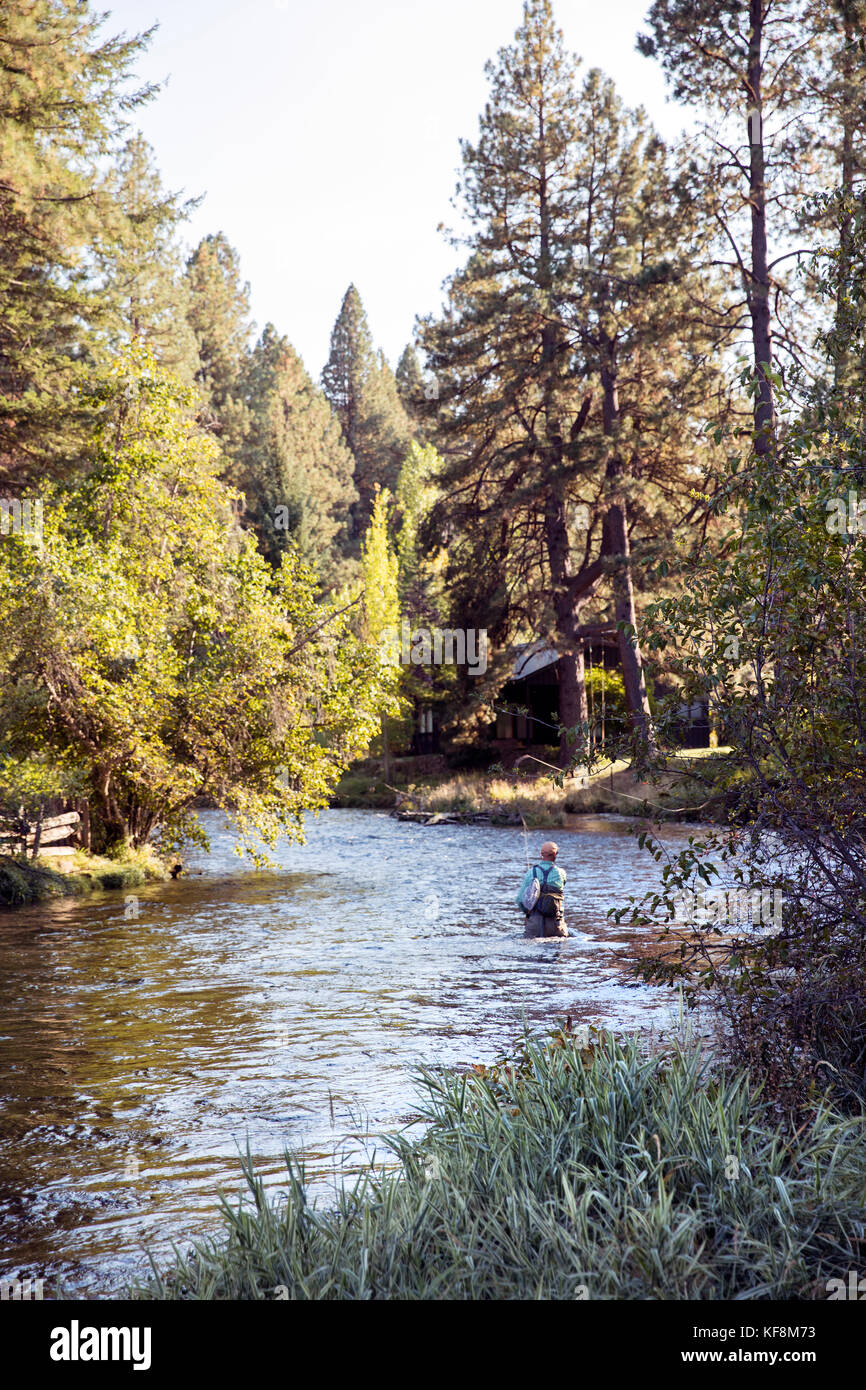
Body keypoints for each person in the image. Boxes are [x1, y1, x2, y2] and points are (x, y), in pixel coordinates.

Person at [516, 840, 568, 938]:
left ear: (541, 854)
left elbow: (519, 900)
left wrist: (528, 913)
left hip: (534, 925)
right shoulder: (562, 873)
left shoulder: (531, 873)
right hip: (556, 924)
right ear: (555, 855)